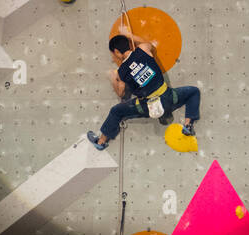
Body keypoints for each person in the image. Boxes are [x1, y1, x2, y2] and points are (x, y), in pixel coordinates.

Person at [86, 20, 201, 149]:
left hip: (147, 107)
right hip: (169, 98)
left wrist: (113, 79)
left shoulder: (122, 72)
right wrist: (128, 34)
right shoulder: (143, 50)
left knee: (116, 111)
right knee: (194, 91)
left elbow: (121, 93)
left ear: (117, 52)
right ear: (129, 44)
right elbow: (148, 44)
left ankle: (101, 142)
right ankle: (188, 125)